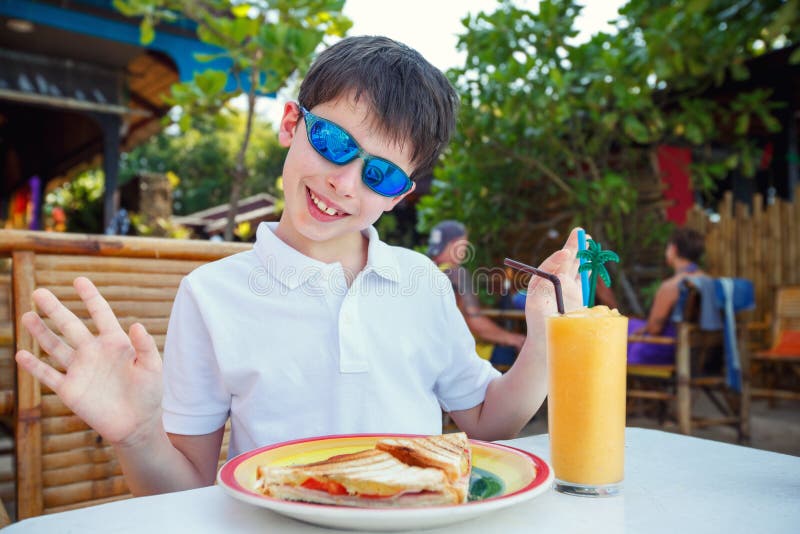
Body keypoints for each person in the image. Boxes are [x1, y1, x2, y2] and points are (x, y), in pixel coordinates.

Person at [14, 36, 583, 497]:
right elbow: (185, 486)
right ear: (292, 124)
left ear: (399, 196)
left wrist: (544, 338)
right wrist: (138, 434)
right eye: (334, 142)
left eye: (379, 174)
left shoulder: (421, 284)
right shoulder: (211, 295)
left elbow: (490, 423)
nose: (344, 182)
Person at [426, 220, 525, 357]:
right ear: (454, 244)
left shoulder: (425, 270)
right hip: (466, 355)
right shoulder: (456, 274)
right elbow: (475, 322)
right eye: (464, 244)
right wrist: (514, 339)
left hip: (434, 352)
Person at [627, 227, 706, 364]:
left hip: (670, 349)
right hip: (700, 348)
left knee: (627, 327)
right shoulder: (708, 281)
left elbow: (654, 329)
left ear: (673, 250)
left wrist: (643, 330)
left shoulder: (671, 286)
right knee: (633, 324)